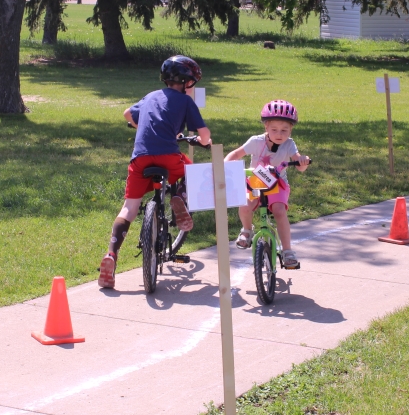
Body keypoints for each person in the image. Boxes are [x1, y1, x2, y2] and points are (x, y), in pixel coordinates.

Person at [98, 55, 211, 289]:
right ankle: (178, 198)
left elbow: (128, 114)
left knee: (128, 208)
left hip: (139, 158)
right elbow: (204, 133)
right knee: (191, 170)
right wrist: (203, 141)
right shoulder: (185, 101)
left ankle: (111, 254)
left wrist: (141, 127)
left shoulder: (150, 96)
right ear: (187, 82)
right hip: (168, 156)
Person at [224, 100, 310, 269]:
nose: (280, 134)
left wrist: (303, 161)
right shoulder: (256, 142)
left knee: (279, 211)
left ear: (291, 129)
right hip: (255, 180)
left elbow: (300, 167)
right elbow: (236, 153)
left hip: (277, 183)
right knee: (245, 206)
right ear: (266, 127)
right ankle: (247, 230)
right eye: (274, 130)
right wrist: (224, 164)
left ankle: (287, 251)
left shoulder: (289, 144)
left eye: (285, 130)